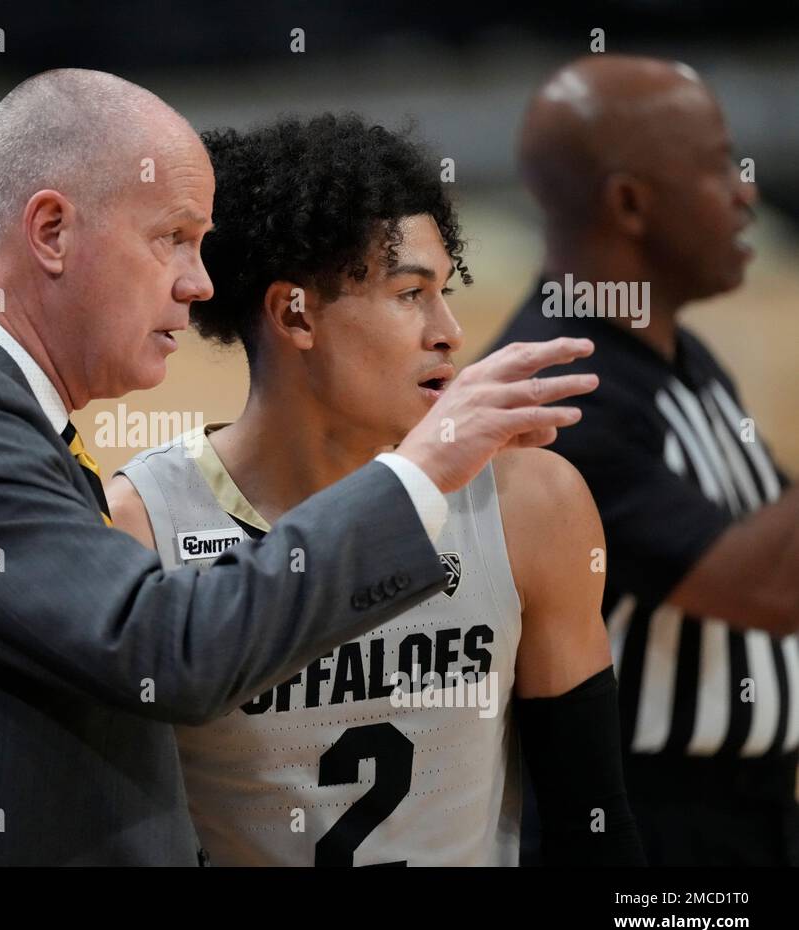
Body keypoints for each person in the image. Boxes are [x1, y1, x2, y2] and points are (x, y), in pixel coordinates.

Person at [0, 69, 598, 865]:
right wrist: (422, 471)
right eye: (173, 240)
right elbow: (168, 650)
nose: (197, 282)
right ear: (51, 230)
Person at [108, 114, 643, 866]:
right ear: (294, 313)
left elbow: (596, 826)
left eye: (446, 291)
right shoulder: (142, 524)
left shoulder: (531, 502)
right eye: (409, 293)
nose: (450, 330)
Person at [487, 55, 799, 865]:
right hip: (648, 827)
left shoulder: (673, 354)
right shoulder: (559, 389)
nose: (745, 193)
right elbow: (771, 585)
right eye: (717, 165)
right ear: (629, 202)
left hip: (743, 811)